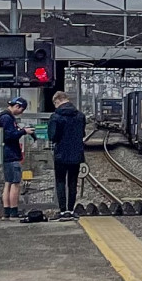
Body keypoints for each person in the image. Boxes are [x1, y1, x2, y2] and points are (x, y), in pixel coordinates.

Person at [48, 90, 87, 219]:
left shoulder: (56, 116)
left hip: (61, 154)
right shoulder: (80, 116)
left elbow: (53, 136)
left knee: (60, 181)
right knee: (72, 182)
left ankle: (62, 210)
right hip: (76, 153)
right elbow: (82, 134)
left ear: (57, 100)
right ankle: (71, 210)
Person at [0, 98, 27, 218]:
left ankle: (7, 211)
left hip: (7, 154)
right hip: (11, 154)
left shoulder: (4, 117)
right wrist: (23, 131)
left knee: (8, 183)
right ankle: (13, 210)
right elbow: (9, 135)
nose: (21, 112)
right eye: (21, 110)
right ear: (17, 106)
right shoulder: (7, 118)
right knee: (15, 183)